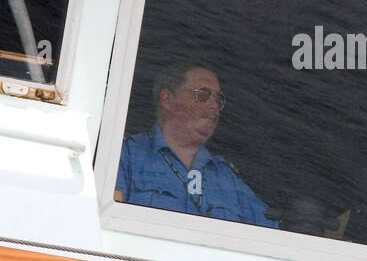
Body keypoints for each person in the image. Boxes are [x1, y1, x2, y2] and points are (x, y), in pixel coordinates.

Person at [115, 63, 277, 227]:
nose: (214, 106)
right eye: (203, 95)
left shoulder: (226, 176)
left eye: (218, 99)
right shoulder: (126, 155)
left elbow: (274, 234)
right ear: (168, 99)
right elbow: (106, 221)